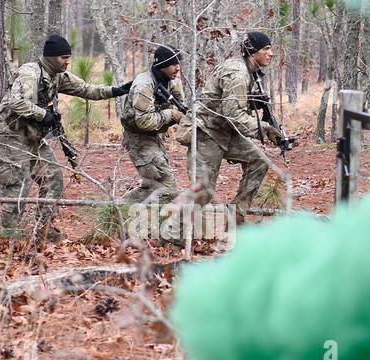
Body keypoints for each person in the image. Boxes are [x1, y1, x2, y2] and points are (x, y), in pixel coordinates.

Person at [0, 34, 130, 243]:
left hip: (33, 137)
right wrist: (44, 115)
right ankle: (9, 235)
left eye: (69, 57)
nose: (68, 61)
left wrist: (117, 91)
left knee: (53, 178)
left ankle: (43, 229)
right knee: (17, 185)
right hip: (11, 136)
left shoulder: (58, 75)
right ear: (51, 57)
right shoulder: (30, 73)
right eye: (64, 57)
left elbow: (85, 89)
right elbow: (16, 103)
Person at [178, 30, 291, 223]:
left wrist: (254, 103)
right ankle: (173, 231)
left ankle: (235, 216)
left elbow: (229, 106)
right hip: (207, 132)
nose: (271, 53)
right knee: (204, 190)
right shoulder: (238, 73)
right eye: (266, 49)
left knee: (259, 161)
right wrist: (265, 130)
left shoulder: (249, 71)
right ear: (252, 51)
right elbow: (233, 115)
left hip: (225, 131)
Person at [120, 44, 186, 205]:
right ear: (162, 65)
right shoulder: (144, 85)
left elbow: (182, 107)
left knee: (152, 186)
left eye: (179, 63)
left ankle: (117, 210)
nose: (177, 68)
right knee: (166, 186)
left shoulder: (172, 81)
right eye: (173, 64)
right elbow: (143, 121)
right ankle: (120, 211)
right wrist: (171, 114)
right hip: (138, 138)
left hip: (156, 137)